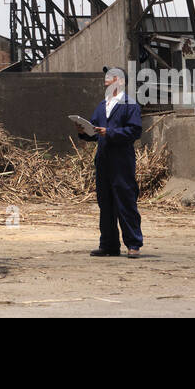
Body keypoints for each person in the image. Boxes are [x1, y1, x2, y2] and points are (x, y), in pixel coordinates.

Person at [77, 65, 144, 258]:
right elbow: (95, 133)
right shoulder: (101, 105)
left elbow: (134, 131)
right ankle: (109, 245)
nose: (107, 78)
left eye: (112, 76)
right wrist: (84, 132)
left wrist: (111, 132)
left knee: (125, 201)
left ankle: (133, 244)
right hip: (103, 160)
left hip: (121, 160)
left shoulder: (130, 105)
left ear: (121, 82)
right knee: (105, 202)